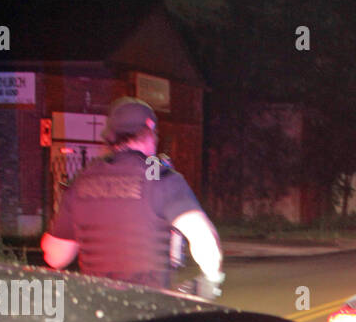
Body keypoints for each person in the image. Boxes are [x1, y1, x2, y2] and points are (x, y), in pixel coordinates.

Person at [41, 97, 225, 298]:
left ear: (111, 138)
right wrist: (210, 282)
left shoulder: (82, 181)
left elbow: (56, 257)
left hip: (98, 308)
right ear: (150, 134)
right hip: (148, 312)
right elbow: (205, 242)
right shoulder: (161, 177)